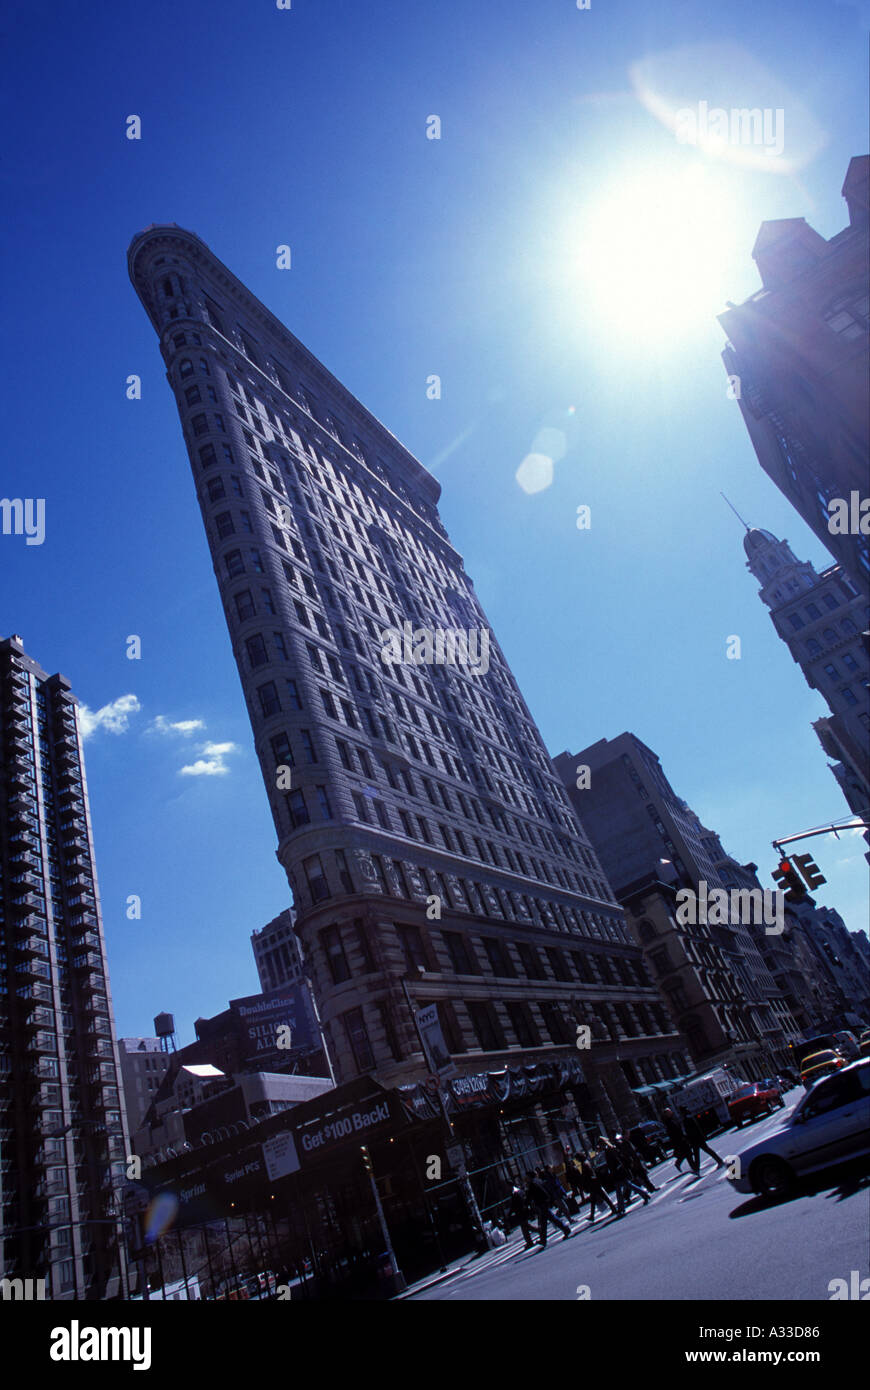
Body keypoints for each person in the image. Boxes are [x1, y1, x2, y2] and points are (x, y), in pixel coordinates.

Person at [600, 1138, 651, 1214]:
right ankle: (622, 1207)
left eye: (600, 1144)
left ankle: (643, 1195)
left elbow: (616, 1161)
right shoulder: (611, 1148)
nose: (599, 1146)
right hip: (618, 1171)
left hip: (618, 1172)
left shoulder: (609, 1150)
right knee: (622, 1188)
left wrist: (614, 1170)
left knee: (626, 1186)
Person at [526, 1168, 572, 1247]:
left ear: (530, 1176)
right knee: (544, 1222)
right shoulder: (539, 1181)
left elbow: (530, 1196)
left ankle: (565, 1229)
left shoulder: (533, 1184)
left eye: (527, 1177)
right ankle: (543, 1240)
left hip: (541, 1203)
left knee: (551, 1218)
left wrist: (527, 1203)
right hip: (544, 1202)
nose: (526, 1179)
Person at [578, 1151, 618, 1223]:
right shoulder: (586, 1162)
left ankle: (613, 1208)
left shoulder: (585, 1164)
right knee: (594, 1199)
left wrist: (589, 1181)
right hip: (593, 1183)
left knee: (601, 1197)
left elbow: (589, 1174)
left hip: (593, 1183)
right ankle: (593, 1215)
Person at [662, 1108, 698, 1175]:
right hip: (679, 1140)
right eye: (668, 1112)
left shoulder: (672, 1119)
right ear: (666, 1114)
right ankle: (694, 1168)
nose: (671, 1113)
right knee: (688, 1154)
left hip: (681, 1139)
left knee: (687, 1154)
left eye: (670, 1111)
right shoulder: (668, 1122)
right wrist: (680, 1139)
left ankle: (679, 1163)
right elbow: (673, 1133)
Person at [507, 1184, 535, 1249]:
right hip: (523, 1211)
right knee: (526, 1227)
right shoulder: (520, 1191)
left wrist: (510, 1213)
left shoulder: (515, 1193)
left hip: (520, 1212)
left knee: (525, 1227)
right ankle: (530, 1241)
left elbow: (514, 1205)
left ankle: (530, 1241)